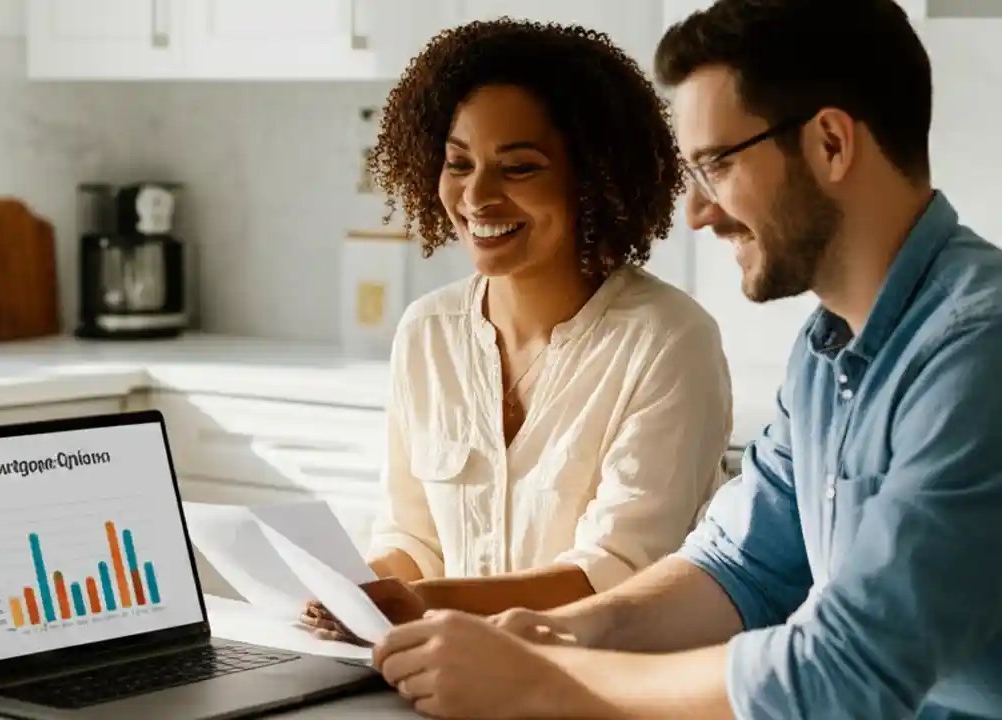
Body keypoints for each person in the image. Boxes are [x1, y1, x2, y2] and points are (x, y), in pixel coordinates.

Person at [367, 0, 1002, 718]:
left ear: (830, 144)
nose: (698, 213)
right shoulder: (826, 355)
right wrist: (555, 633)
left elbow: (843, 669)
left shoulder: (979, 350)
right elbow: (739, 568)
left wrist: (550, 682)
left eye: (718, 166)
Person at [302, 18, 733, 639]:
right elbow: (412, 539)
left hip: (599, 690)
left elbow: (615, 574)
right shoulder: (428, 333)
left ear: (592, 178)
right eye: (459, 163)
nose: (477, 196)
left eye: (519, 168)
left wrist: (420, 602)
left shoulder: (668, 339)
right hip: (452, 683)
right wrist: (358, 595)